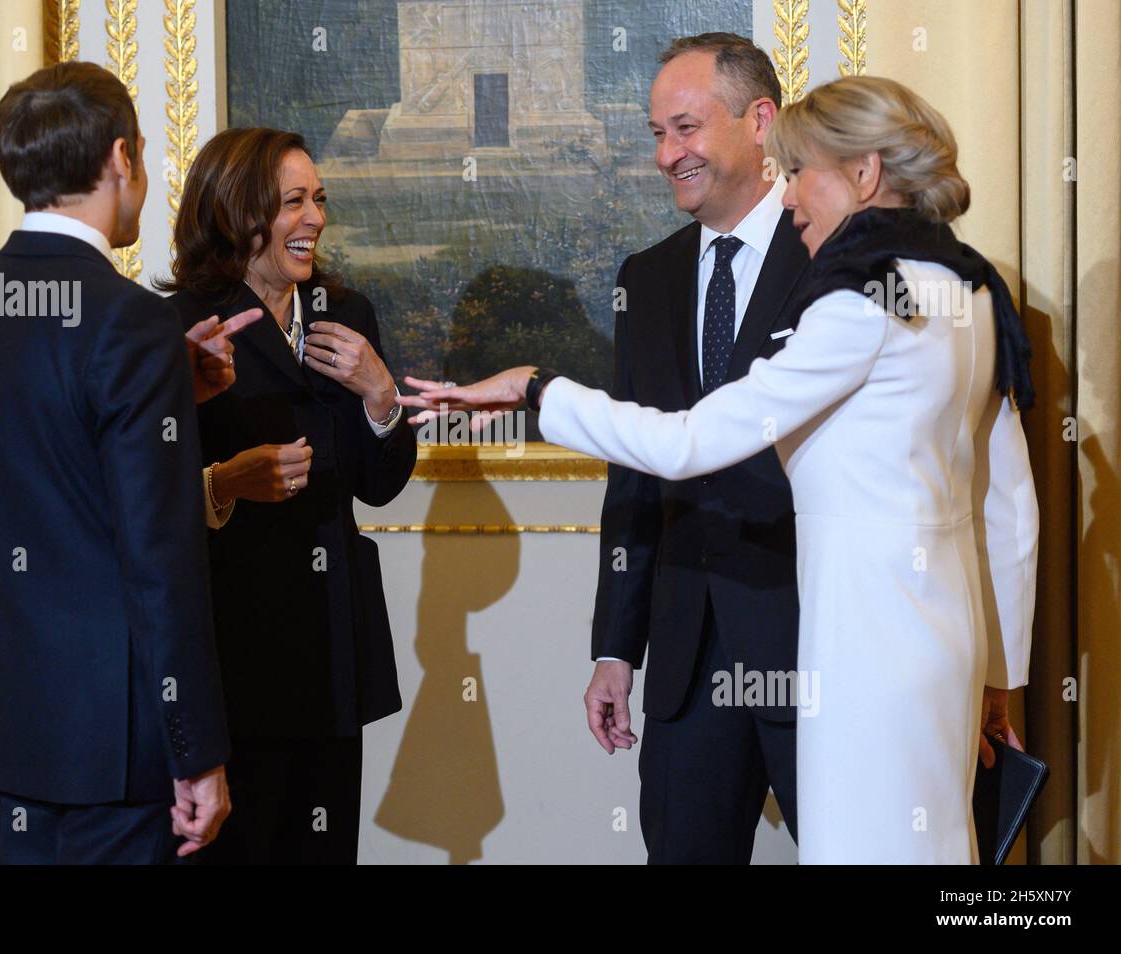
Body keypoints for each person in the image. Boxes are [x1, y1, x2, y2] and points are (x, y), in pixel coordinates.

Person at [402, 75, 1039, 863]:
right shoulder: (970, 291)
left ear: (866, 174)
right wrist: (998, 673)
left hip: (864, 649)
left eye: (803, 171)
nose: (793, 195)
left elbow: (688, 444)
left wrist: (535, 390)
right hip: (945, 646)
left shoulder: (856, 304)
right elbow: (1008, 500)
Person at [0, 62, 252, 863]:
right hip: (121, 735)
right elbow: (159, 558)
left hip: (17, 723)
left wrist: (170, 393)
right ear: (120, 158)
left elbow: (44, 457)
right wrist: (198, 748)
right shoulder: (131, 323)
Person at [158, 127, 418, 864]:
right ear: (240, 213)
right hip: (231, 656)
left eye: (320, 200)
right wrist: (226, 483)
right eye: (294, 201)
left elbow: (381, 482)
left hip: (333, 654)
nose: (315, 218)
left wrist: (381, 394)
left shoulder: (348, 313)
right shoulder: (182, 326)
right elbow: (138, 493)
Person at [584, 32, 808, 863]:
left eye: (684, 128)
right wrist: (615, 647)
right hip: (685, 653)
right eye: (655, 134)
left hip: (813, 641)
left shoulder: (830, 255)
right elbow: (634, 474)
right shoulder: (644, 278)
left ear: (759, 121)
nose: (666, 154)